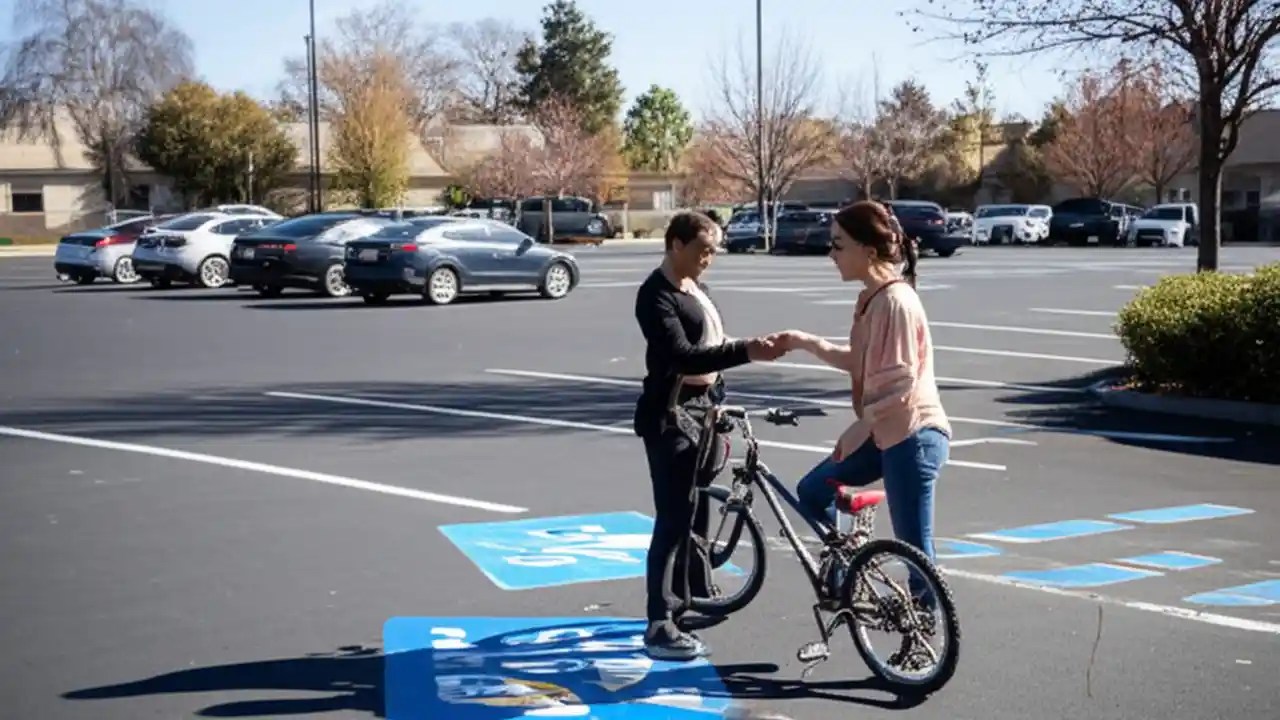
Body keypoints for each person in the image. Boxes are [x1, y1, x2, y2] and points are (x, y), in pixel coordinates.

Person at [633, 210, 786, 659]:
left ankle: (692, 591)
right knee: (674, 515)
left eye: (714, 251)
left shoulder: (696, 289)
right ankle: (660, 621)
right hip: (671, 413)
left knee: (697, 506)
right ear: (676, 244)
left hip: (704, 408)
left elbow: (712, 344)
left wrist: (729, 377)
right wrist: (746, 351)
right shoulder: (655, 295)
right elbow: (683, 356)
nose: (708, 258)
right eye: (702, 250)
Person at [776, 200, 951, 587]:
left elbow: (903, 382)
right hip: (885, 433)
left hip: (913, 437)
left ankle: (926, 620)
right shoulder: (870, 299)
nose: (831, 254)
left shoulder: (896, 301)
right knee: (811, 491)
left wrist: (861, 427)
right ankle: (852, 564)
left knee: (916, 552)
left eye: (839, 245)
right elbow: (860, 360)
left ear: (868, 252)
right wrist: (804, 342)